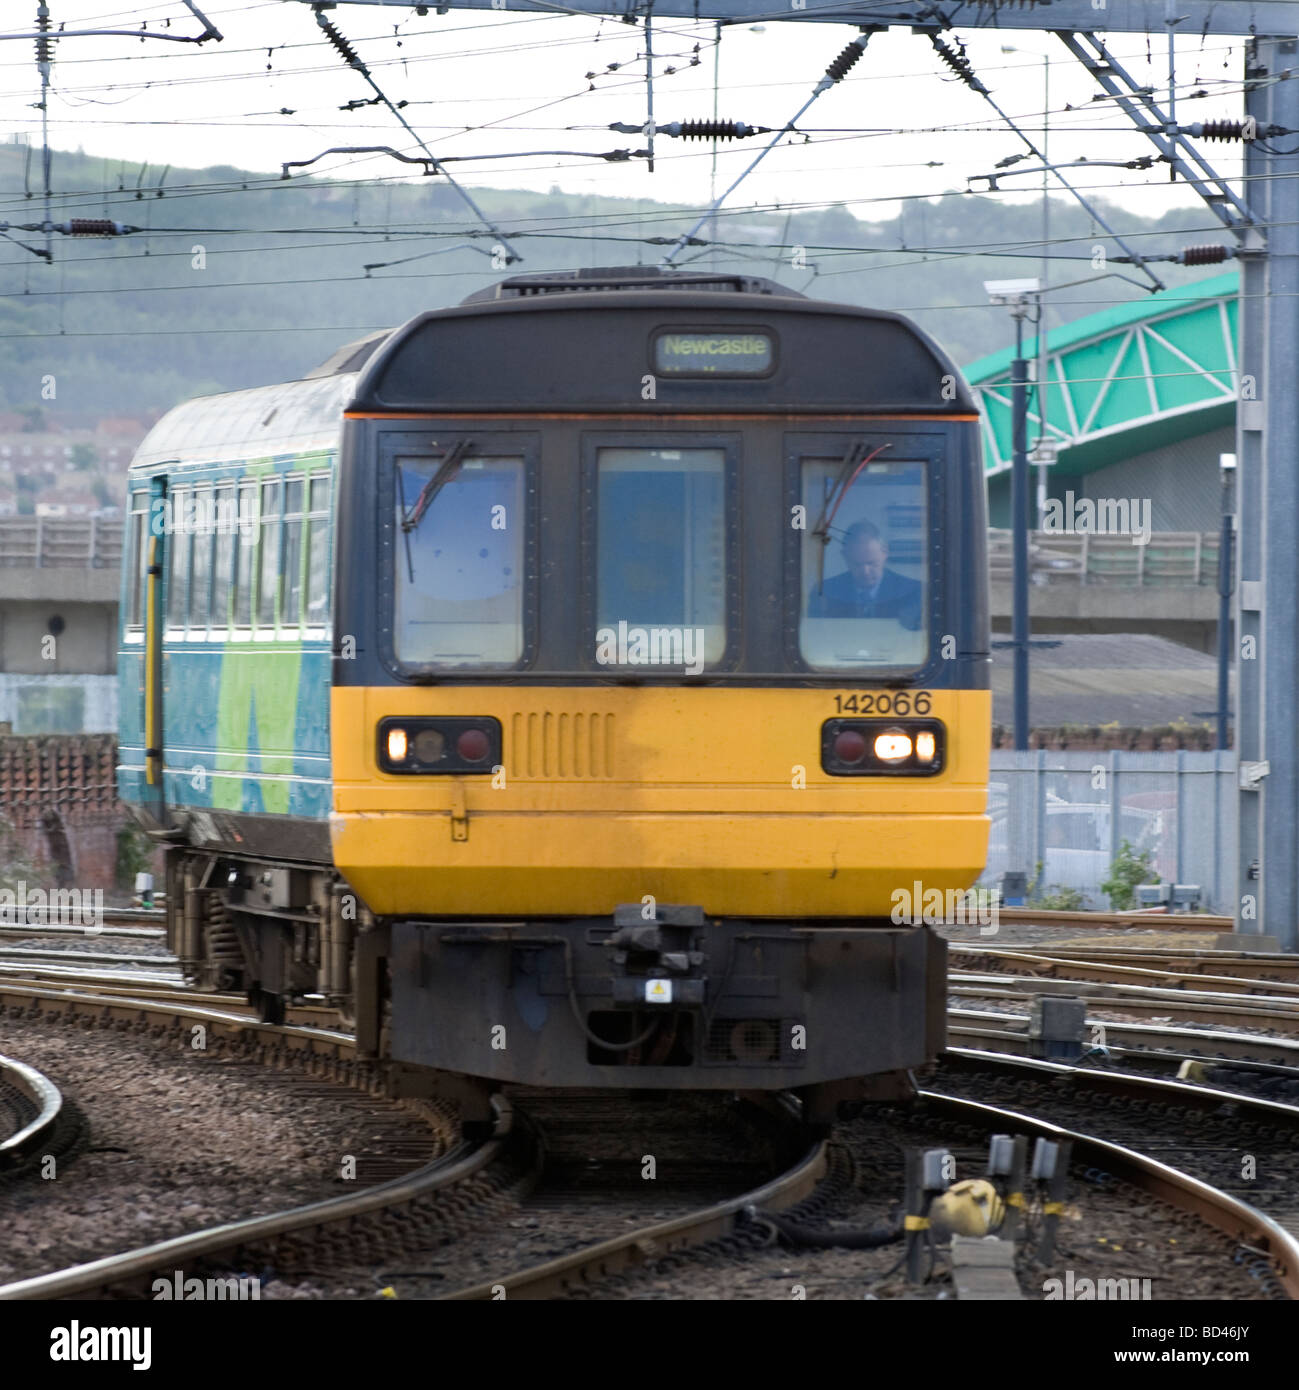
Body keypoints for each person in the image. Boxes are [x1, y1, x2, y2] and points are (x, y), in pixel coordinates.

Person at [807, 519, 922, 629]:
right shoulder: (824, 592)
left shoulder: (914, 592)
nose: (865, 572)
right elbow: (818, 633)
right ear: (845, 556)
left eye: (872, 563)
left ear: (885, 552)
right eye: (857, 564)